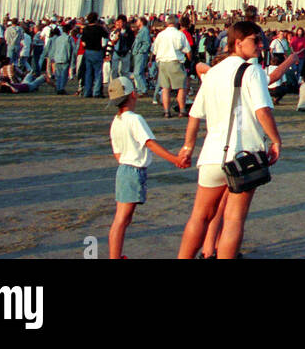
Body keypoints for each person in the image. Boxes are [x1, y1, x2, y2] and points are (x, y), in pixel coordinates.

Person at [177, 20, 282, 259]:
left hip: (211, 154)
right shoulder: (252, 70)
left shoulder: (212, 73)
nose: (260, 45)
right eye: (255, 40)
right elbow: (262, 111)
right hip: (243, 154)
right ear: (238, 42)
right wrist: (275, 141)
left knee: (200, 216)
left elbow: (194, 116)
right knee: (234, 219)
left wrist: (188, 147)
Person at [107, 77, 186, 259]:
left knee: (123, 219)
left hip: (123, 170)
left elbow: (117, 154)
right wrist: (175, 159)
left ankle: (116, 255)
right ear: (133, 95)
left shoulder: (116, 121)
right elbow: (150, 144)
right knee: (121, 219)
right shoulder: (135, 119)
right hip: (133, 171)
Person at [153, 15, 191, 118]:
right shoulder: (180, 34)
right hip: (175, 62)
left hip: (162, 62)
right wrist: (190, 60)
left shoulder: (160, 35)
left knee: (165, 88)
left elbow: (154, 50)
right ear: (177, 23)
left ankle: (166, 111)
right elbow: (187, 50)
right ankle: (182, 110)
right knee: (181, 87)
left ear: (167, 23)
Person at [80, 12, 109, 98]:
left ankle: (87, 91)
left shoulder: (85, 29)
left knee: (88, 72)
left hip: (88, 51)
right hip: (97, 51)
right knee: (98, 72)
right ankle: (96, 92)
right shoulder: (99, 28)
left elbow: (83, 42)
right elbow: (107, 35)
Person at [45, 25, 73, 94]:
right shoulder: (68, 38)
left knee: (58, 74)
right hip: (65, 57)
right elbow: (70, 49)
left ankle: (58, 87)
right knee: (64, 75)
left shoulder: (58, 38)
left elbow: (55, 48)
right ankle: (61, 88)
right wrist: (70, 58)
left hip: (57, 58)